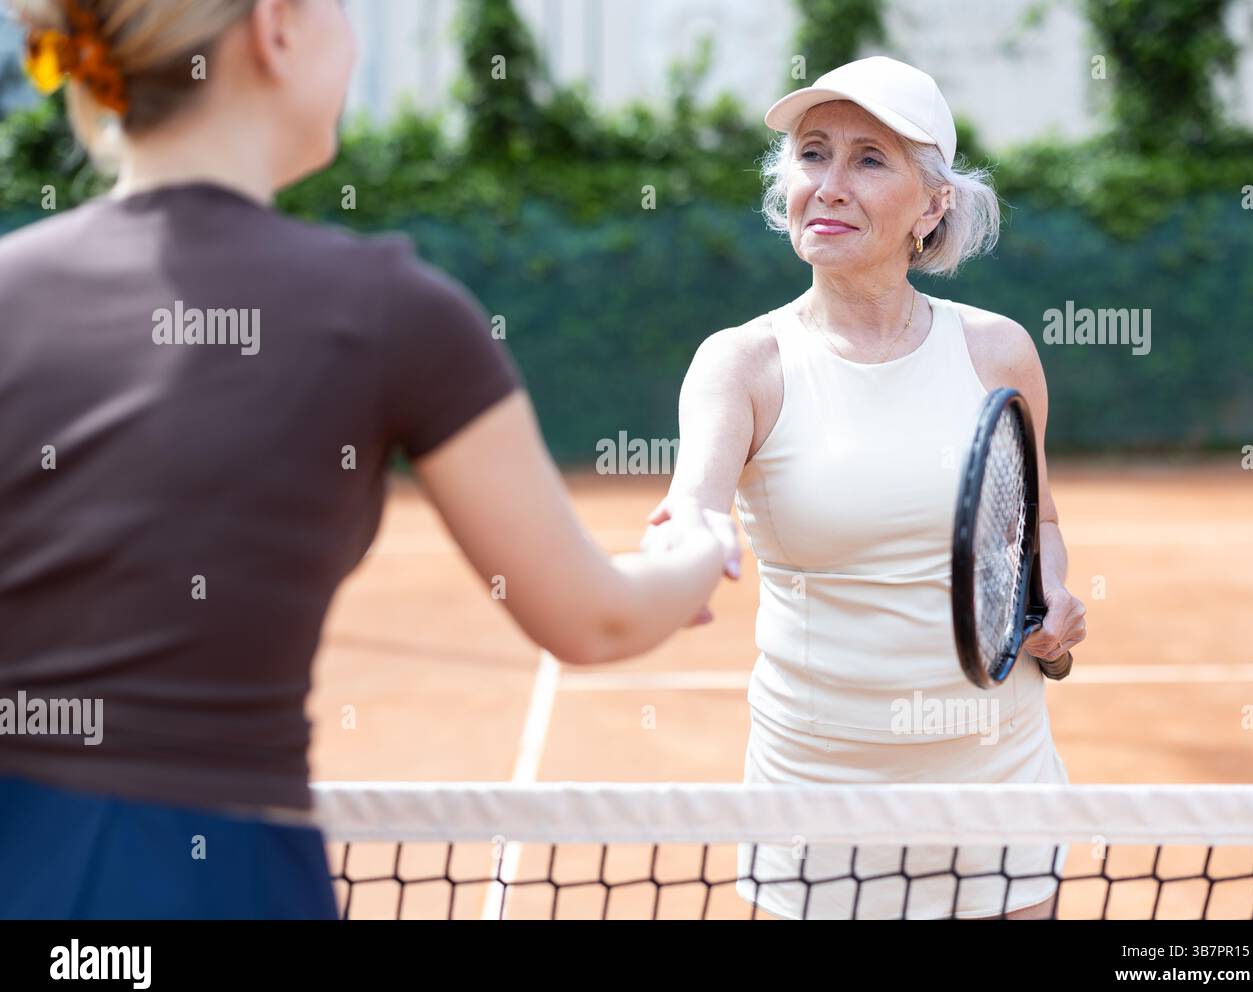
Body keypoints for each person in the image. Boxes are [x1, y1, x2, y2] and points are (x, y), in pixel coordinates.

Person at [0, 0, 739, 919]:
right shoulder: (392, 309)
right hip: (214, 878)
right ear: (276, 28)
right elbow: (596, 619)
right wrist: (698, 550)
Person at [643, 56, 1087, 919]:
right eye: (813, 155)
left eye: (870, 160)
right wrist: (682, 551)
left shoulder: (999, 352)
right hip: (816, 797)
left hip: (997, 783)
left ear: (934, 203)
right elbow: (693, 503)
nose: (830, 185)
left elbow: (1038, 520)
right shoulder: (743, 364)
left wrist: (1055, 594)